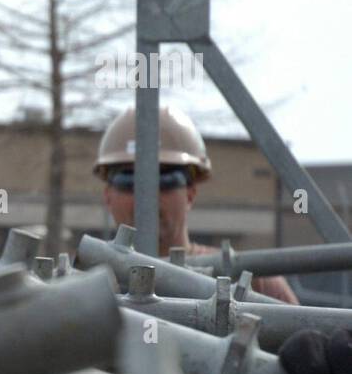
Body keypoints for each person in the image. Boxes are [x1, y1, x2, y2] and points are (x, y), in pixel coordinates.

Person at [93, 104, 299, 304]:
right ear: (108, 196)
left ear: (190, 194)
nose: (148, 196)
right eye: (129, 181)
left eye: (166, 180)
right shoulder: (81, 286)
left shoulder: (254, 282)